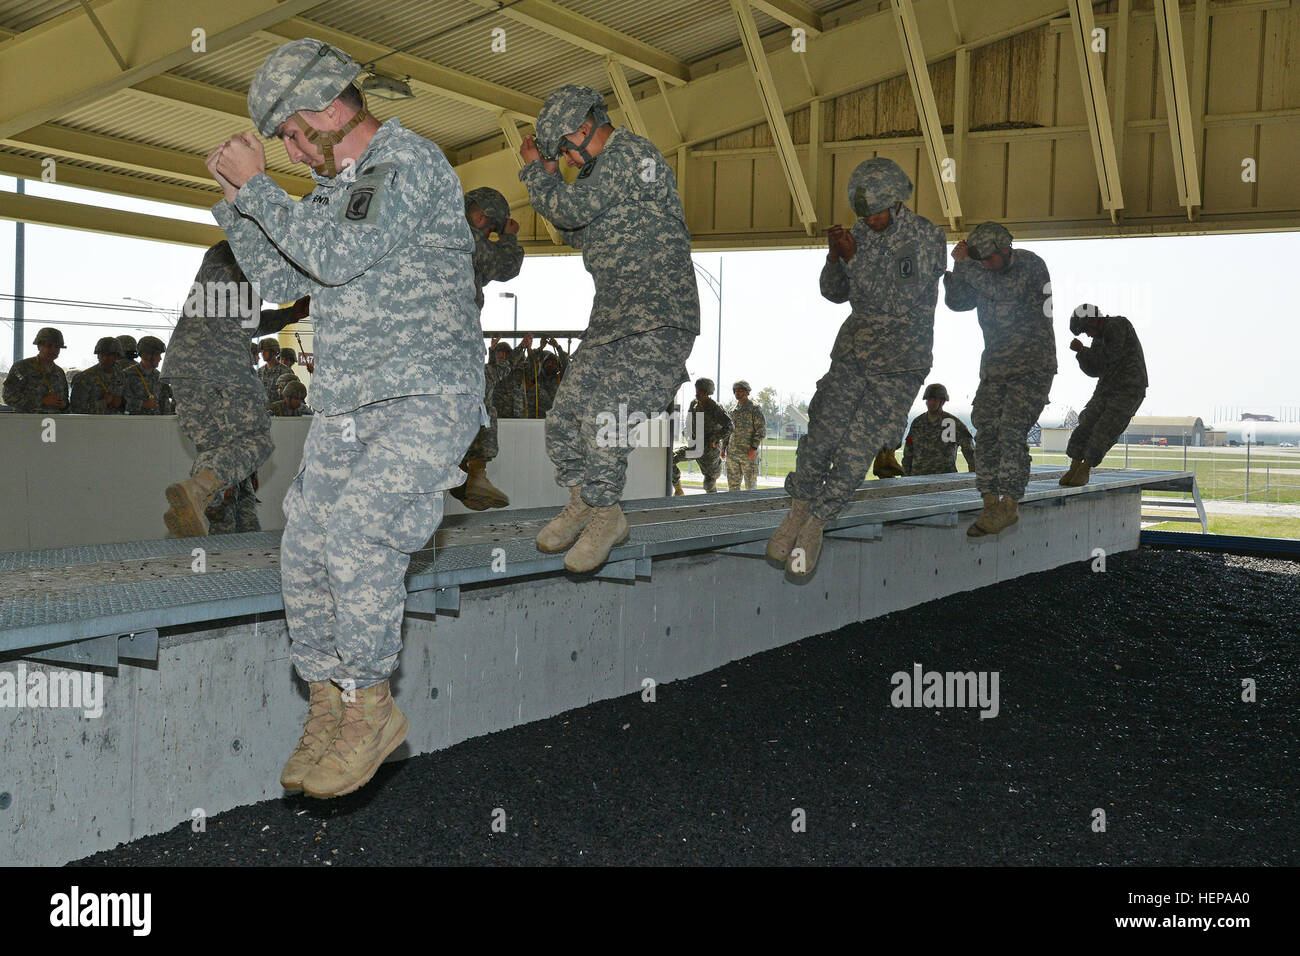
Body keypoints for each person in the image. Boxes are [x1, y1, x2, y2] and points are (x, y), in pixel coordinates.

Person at [208, 37, 484, 799]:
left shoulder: (408, 162)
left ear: (332, 107)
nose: (292, 152)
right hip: (348, 402)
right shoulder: (338, 187)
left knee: (360, 530)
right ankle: (327, 702)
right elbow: (275, 275)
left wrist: (263, 190)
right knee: (304, 546)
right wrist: (237, 203)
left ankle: (370, 704)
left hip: (424, 395)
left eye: (295, 133)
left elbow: (332, 256)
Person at [519, 85, 699, 572]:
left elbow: (568, 210)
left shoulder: (631, 153)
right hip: (612, 319)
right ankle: (586, 503)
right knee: (562, 421)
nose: (567, 160)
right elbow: (570, 230)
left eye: (564, 149)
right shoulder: (602, 175)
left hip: (657, 317)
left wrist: (540, 172)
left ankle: (607, 515)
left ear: (581, 129)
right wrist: (552, 177)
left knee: (605, 422)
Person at [767, 158, 946, 576]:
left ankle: (816, 523)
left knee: (855, 450)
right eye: (863, 215)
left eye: (876, 213)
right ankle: (797, 510)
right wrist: (835, 259)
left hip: (899, 364)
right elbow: (834, 294)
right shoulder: (861, 233)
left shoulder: (925, 237)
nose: (869, 221)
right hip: (853, 353)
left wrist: (854, 258)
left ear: (896, 201)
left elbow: (898, 301)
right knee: (820, 436)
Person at [160, 241, 294, 538]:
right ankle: (198, 490)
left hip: (181, 367)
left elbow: (247, 321)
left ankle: (195, 504)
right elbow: (290, 280)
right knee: (257, 440)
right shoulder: (261, 247)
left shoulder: (217, 254)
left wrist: (290, 315)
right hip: (221, 365)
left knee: (220, 451)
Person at [943, 221, 1056, 536]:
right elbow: (957, 302)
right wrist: (957, 265)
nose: (985, 267)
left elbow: (1004, 291)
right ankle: (990, 501)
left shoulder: (1030, 265)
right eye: (980, 262)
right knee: (987, 430)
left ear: (1006, 250)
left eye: (989, 260)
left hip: (1032, 366)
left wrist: (967, 265)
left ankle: (1009, 504)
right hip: (995, 368)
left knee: (1011, 429)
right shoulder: (982, 271)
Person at [449, 186, 525, 510]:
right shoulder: (465, 234)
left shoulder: (431, 230)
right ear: (480, 216)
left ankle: (458, 471)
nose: (488, 233)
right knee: (482, 403)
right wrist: (507, 238)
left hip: (412, 345)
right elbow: (506, 266)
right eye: (490, 227)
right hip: (455, 341)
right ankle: (477, 471)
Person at [1060, 303, 1147, 487]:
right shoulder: (1099, 338)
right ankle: (1075, 465)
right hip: (1107, 388)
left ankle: (1085, 468)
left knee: (1104, 429)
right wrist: (1082, 354)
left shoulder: (1118, 326)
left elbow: (1109, 357)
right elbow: (1095, 369)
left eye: (1087, 330)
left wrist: (1084, 351)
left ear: (1094, 320)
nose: (1088, 335)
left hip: (1128, 389)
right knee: (1086, 424)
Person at [672, 378, 731, 494]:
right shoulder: (694, 404)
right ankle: (678, 490)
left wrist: (715, 438)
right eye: (697, 390)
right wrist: (687, 434)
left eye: (701, 391)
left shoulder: (715, 407)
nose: (698, 393)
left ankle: (713, 505)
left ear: (708, 392)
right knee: (670, 460)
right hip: (695, 447)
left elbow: (730, 426)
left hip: (709, 451)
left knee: (709, 483)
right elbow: (688, 422)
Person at [902, 383, 975, 475]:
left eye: (935, 399)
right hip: (917, 478)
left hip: (944, 479)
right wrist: (905, 475)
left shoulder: (951, 423)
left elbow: (969, 451)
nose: (931, 403)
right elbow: (908, 451)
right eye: (929, 399)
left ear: (943, 402)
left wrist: (973, 474)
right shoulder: (918, 423)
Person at [3, 327, 69, 413]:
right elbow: (8, 396)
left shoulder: (59, 372)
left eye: (57, 347)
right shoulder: (22, 367)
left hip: (54, 423)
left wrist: (64, 405)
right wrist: (41, 401)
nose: (53, 350)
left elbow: (65, 401)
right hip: (27, 422)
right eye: (49, 346)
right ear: (39, 346)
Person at [69, 337, 127, 414]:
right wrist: (104, 403)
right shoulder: (84, 377)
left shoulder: (122, 376)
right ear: (97, 355)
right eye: (102, 354)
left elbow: (129, 405)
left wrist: (121, 403)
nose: (105, 358)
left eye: (109, 355)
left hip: (117, 422)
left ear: (117, 356)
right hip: (92, 424)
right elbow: (75, 409)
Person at [726, 380, 766, 491]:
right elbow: (728, 431)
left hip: (748, 454)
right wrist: (723, 448)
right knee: (733, 487)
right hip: (733, 455)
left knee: (750, 486)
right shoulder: (732, 411)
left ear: (747, 392)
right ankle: (734, 508)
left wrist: (753, 448)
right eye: (735, 391)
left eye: (740, 390)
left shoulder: (754, 408)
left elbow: (761, 431)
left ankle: (752, 508)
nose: (737, 393)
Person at [122, 335, 171, 414]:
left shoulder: (160, 377)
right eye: (157, 354)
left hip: (157, 423)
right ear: (147, 355)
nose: (160, 358)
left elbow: (165, 404)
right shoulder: (127, 375)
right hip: (134, 423)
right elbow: (120, 402)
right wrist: (142, 404)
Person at [256, 337, 284, 403]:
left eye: (265, 351)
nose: (262, 353)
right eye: (262, 351)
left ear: (274, 352)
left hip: (278, 411)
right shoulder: (260, 371)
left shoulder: (285, 371)